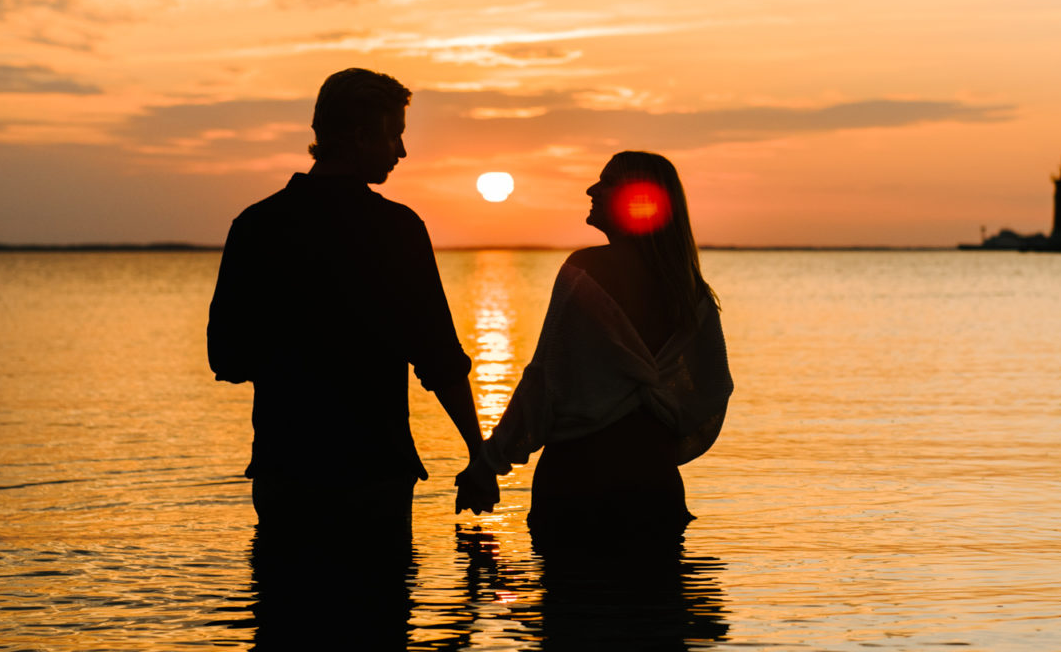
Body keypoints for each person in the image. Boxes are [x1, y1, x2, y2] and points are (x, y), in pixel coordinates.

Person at [206, 67, 499, 548]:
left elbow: (227, 358)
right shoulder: (397, 230)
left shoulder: (256, 226)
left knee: (286, 617)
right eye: (395, 136)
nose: (401, 152)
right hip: (374, 475)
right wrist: (477, 453)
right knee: (378, 616)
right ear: (362, 136)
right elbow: (439, 358)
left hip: (287, 471)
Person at [481, 151, 733, 548]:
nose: (591, 189)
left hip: (581, 481)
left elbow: (543, 383)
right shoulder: (691, 293)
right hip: (654, 483)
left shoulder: (586, 271)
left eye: (607, 182)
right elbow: (712, 390)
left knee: (576, 604)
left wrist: (489, 462)